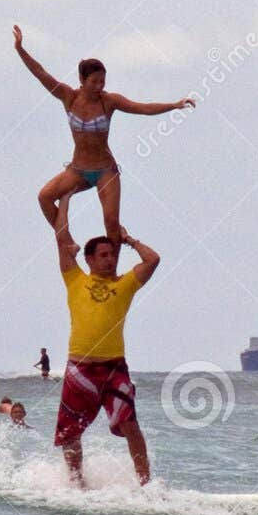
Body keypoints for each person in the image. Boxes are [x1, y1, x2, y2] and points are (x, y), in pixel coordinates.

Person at [13, 24, 196, 241]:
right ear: (82, 81)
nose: (99, 86)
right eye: (94, 82)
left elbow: (143, 108)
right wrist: (20, 49)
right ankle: (67, 243)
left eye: (102, 81)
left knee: (111, 223)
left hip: (105, 172)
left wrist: (174, 105)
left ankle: (111, 272)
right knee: (44, 197)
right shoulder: (68, 97)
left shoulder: (109, 101)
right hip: (78, 170)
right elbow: (41, 73)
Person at [53, 195, 159, 484]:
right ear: (88, 259)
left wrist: (129, 240)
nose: (110, 259)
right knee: (69, 434)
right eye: (103, 255)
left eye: (112, 255)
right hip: (80, 367)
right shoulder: (75, 279)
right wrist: (64, 198)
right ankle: (77, 485)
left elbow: (153, 260)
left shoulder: (124, 284)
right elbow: (61, 236)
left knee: (130, 426)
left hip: (114, 368)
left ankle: (145, 486)